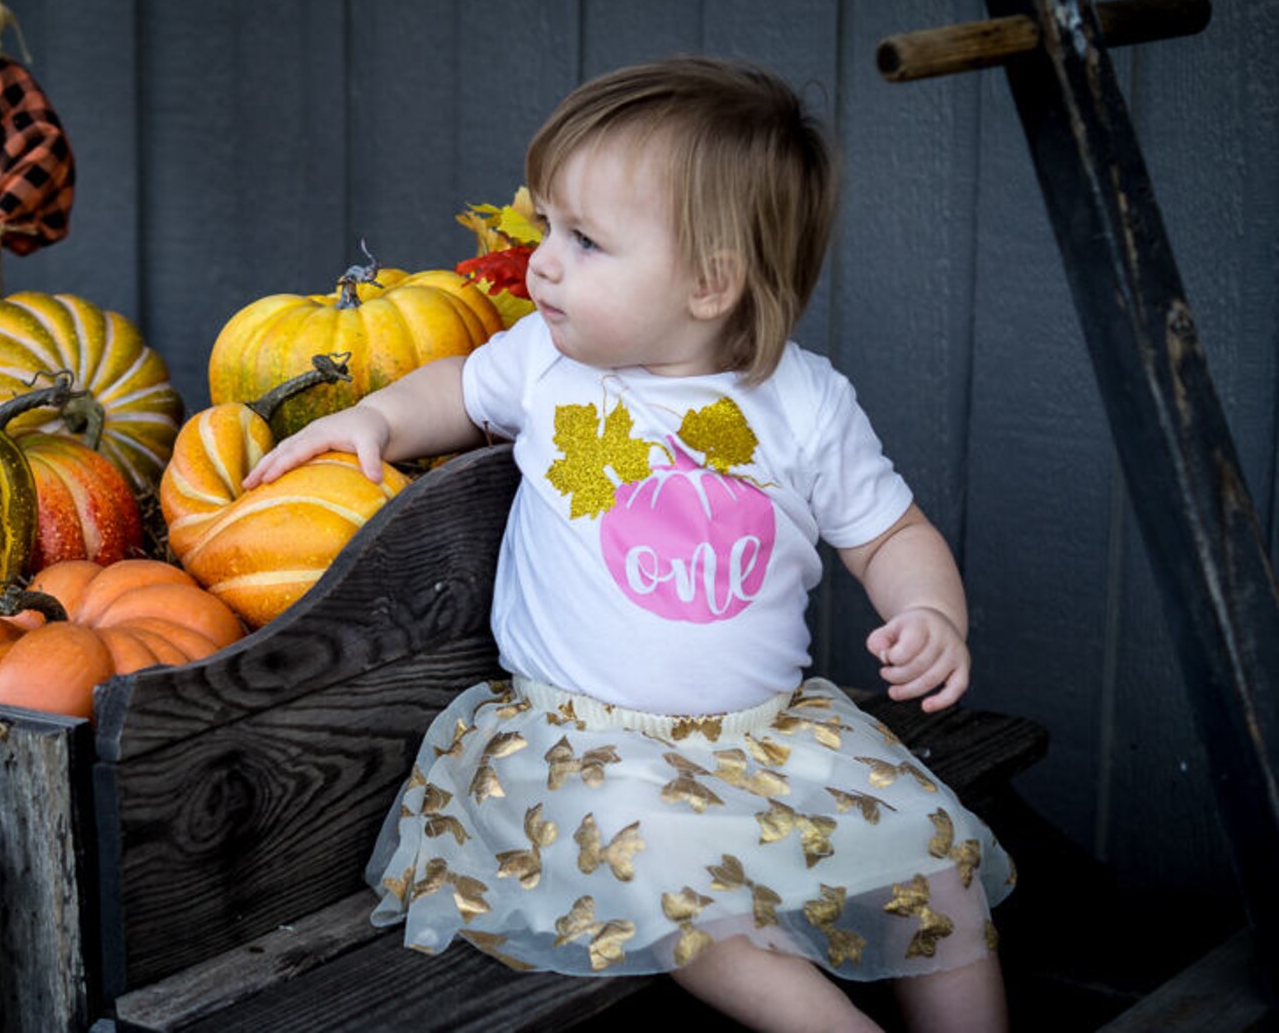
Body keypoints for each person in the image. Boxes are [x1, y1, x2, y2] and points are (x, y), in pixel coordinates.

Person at [243, 56, 1013, 1033]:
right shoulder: (545, 365)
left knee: (936, 869)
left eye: (585, 240)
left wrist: (927, 610)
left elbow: (888, 531)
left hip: (768, 741)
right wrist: (379, 424)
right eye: (546, 229)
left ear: (709, 282)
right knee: (693, 911)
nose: (543, 263)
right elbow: (451, 389)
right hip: (588, 750)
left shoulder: (805, 404)